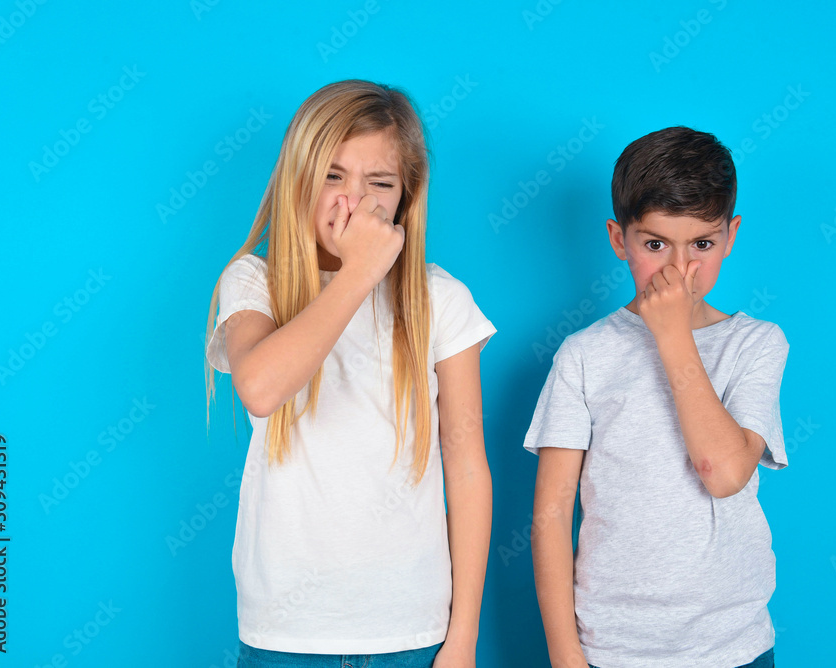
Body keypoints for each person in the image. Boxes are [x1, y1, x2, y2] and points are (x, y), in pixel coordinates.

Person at [203, 79, 495, 668]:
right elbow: (260, 388)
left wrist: (462, 638)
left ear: (405, 197)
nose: (354, 202)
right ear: (299, 179)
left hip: (412, 628)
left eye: (379, 183)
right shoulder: (254, 283)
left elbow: (466, 468)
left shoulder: (441, 300)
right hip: (287, 630)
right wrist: (360, 273)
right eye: (332, 176)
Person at [524, 126, 789, 668]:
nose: (677, 268)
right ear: (618, 239)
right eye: (654, 244)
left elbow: (722, 472)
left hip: (732, 645)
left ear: (730, 236)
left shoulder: (756, 344)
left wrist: (672, 334)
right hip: (615, 649)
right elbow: (550, 516)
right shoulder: (583, 355)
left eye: (702, 244)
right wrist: (565, 655)